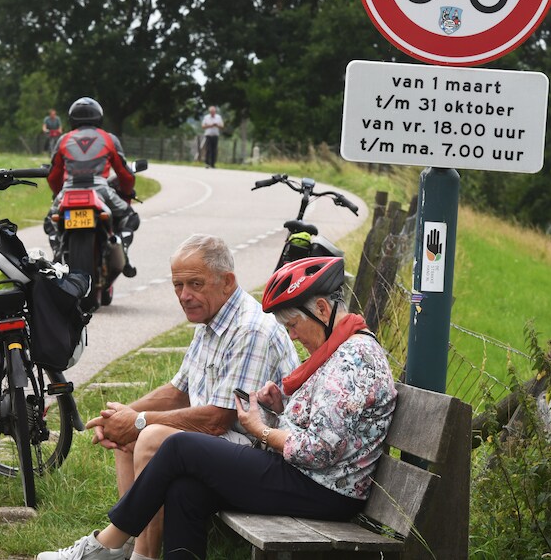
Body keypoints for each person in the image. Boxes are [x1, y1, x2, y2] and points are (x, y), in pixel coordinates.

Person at [38, 256, 398, 560]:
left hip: (325, 490)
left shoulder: (355, 359)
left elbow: (320, 450)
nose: (293, 335)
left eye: (293, 325)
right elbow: (321, 425)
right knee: (185, 490)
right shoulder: (339, 349)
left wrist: (261, 429)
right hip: (308, 477)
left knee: (180, 446)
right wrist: (277, 407)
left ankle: (106, 545)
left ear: (321, 309)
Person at [82, 234, 300, 560]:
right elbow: (177, 391)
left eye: (195, 284)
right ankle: (126, 546)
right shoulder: (211, 318)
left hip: (261, 456)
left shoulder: (250, 328)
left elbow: (217, 420)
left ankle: (142, 554)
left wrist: (138, 421)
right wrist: (120, 416)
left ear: (227, 282)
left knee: (151, 435)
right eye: (178, 286)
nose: (185, 296)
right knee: (129, 434)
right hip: (227, 444)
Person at [45, 97, 141, 275]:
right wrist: (126, 194)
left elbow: (53, 175)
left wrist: (58, 194)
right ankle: (124, 254)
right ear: (99, 117)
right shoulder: (109, 138)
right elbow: (124, 174)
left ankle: (58, 254)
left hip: (69, 189)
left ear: (71, 119)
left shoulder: (63, 139)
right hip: (100, 189)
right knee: (130, 217)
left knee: (50, 222)